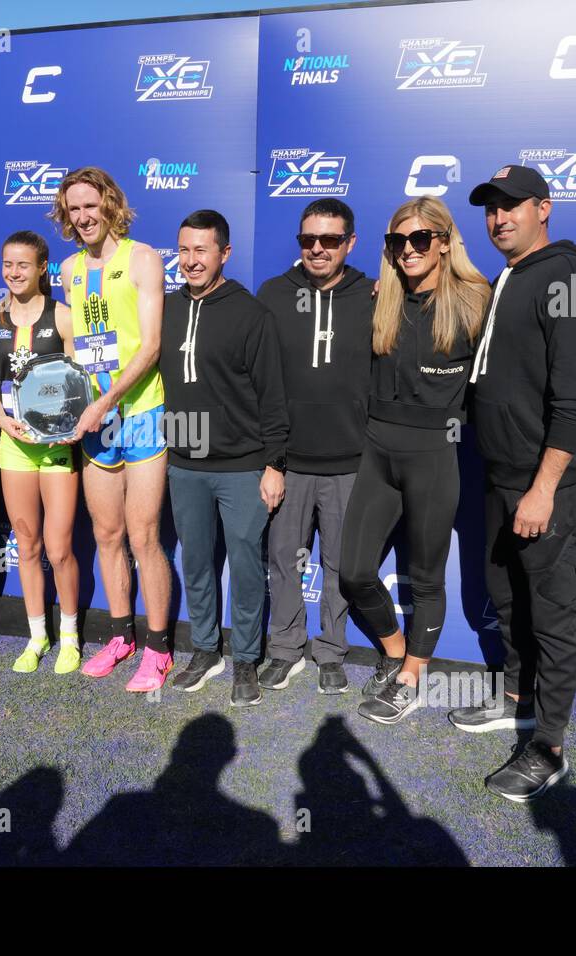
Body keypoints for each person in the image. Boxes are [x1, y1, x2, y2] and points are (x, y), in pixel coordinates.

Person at [448, 165, 576, 801]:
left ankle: (549, 746)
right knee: (506, 595)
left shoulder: (571, 272)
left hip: (547, 482)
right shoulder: (511, 276)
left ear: (545, 207)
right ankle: (517, 702)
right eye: (490, 208)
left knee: (554, 613)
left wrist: (544, 487)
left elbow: (574, 395)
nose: (499, 217)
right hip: (500, 470)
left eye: (512, 205)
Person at [338, 197, 490, 723]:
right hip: (378, 451)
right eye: (398, 242)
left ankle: (411, 678)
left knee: (426, 577)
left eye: (420, 239)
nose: (408, 250)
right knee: (354, 571)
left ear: (445, 242)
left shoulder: (476, 302)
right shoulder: (379, 299)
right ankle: (398, 651)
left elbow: (523, 361)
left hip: (434, 454)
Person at [50, 166, 175, 692]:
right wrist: (78, 402)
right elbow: (79, 344)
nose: (83, 217)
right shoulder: (71, 269)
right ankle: (121, 636)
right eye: (73, 209)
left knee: (144, 535)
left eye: (90, 206)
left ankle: (159, 647)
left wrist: (105, 401)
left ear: (110, 205)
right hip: (96, 418)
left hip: (141, 412)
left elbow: (149, 346)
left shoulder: (142, 258)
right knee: (106, 533)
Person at [160, 210, 288, 706]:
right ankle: (206, 649)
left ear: (224, 254)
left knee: (246, 567)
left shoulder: (250, 314)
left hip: (242, 466)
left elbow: (273, 396)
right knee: (195, 562)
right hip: (184, 462)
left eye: (202, 250)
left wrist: (274, 464)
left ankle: (246, 660)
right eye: (184, 249)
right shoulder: (166, 309)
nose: (191, 260)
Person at [255, 198, 373, 695]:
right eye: (309, 240)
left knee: (341, 565)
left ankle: (331, 651)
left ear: (350, 242)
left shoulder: (373, 294)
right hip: (290, 461)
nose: (318, 249)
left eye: (330, 240)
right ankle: (284, 650)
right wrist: (271, 460)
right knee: (284, 558)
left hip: (352, 462)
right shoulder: (274, 294)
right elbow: (260, 382)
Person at [0, 230, 82, 673]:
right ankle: (38, 637)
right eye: (7, 264)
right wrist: (3, 422)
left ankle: (71, 638)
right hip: (13, 446)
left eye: (23, 264)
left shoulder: (63, 316)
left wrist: (71, 428)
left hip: (55, 447)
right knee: (27, 544)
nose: (13, 272)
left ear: (43, 268)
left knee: (59, 548)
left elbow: (82, 381)